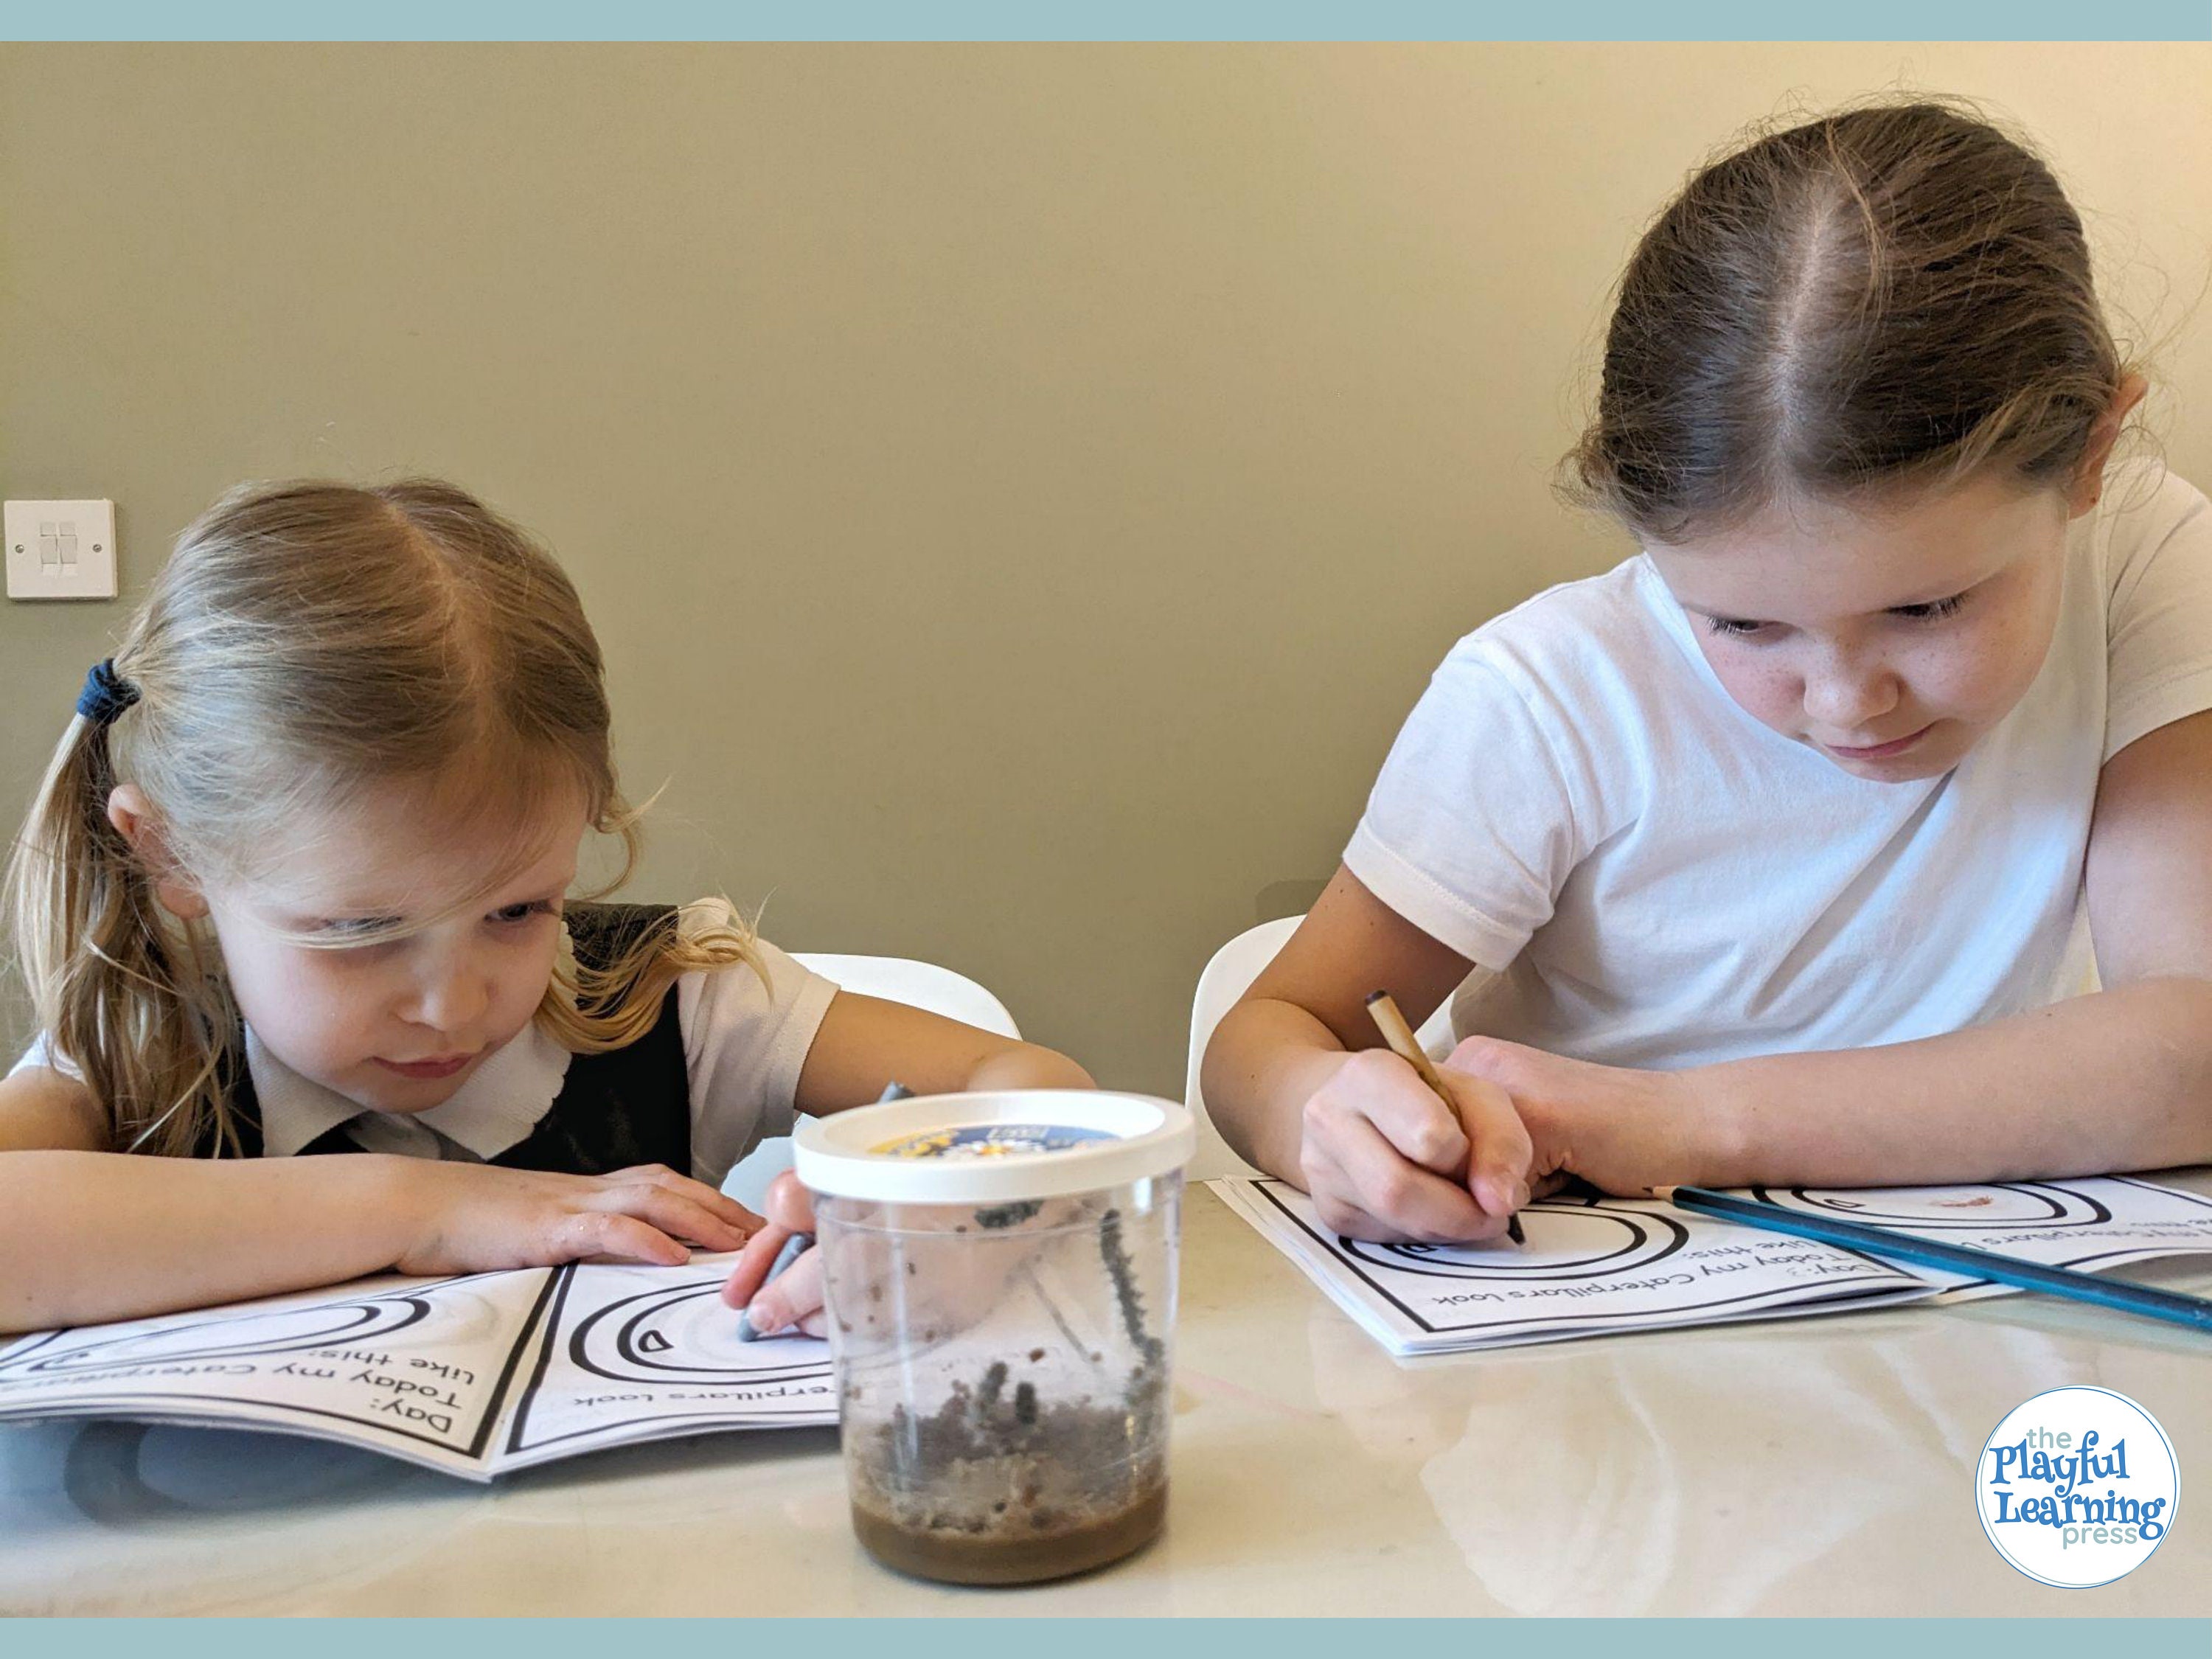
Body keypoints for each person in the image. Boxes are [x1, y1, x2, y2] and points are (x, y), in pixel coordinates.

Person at [1203, 99, 2212, 1243]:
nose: (1846, 701)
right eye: (1741, 624)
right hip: (1584, 1297)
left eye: (1926, 607)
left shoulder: (2143, 559)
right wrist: (1324, 1113)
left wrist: (1686, 1122)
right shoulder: (1549, 696)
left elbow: (2194, 1042)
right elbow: (1270, 1035)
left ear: (2091, 459)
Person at [0, 479, 1091, 1335]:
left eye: (519, 911)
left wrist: (956, 1211)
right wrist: (427, 1209)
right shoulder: (136, 1046)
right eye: (360, 933)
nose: (451, 1004)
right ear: (170, 856)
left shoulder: (678, 995)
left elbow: (1036, 1088)